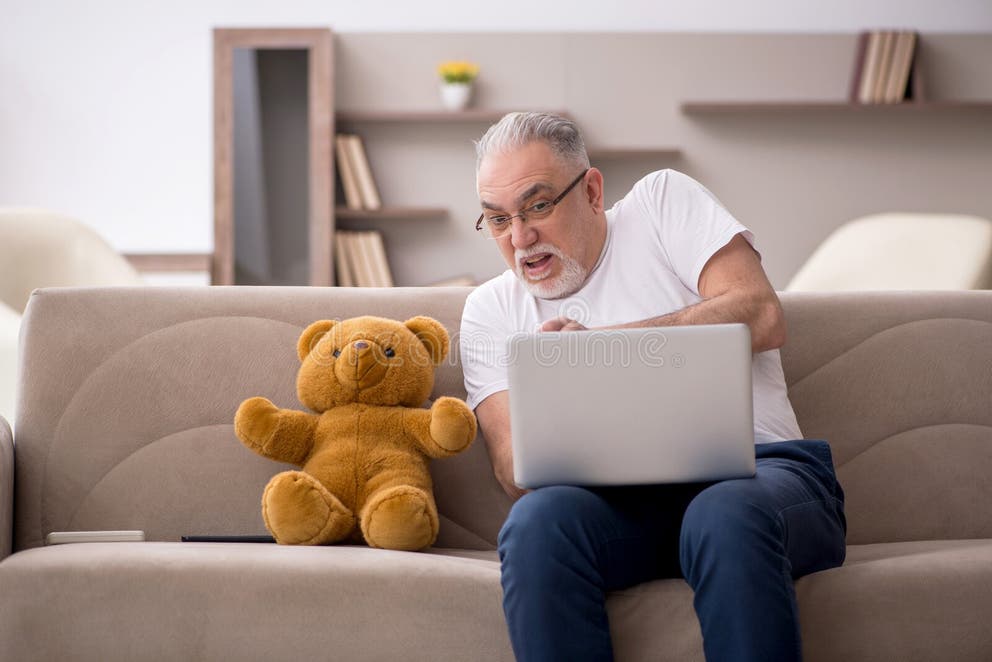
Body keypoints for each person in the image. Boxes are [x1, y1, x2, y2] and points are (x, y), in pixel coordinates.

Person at [458, 111, 847, 662]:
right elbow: (515, 470)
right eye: (497, 220)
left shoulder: (663, 205)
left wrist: (597, 349)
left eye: (538, 206)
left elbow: (760, 313)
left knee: (723, 512)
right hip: (622, 517)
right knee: (536, 523)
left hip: (764, 478)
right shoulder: (491, 310)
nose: (520, 238)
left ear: (591, 190)